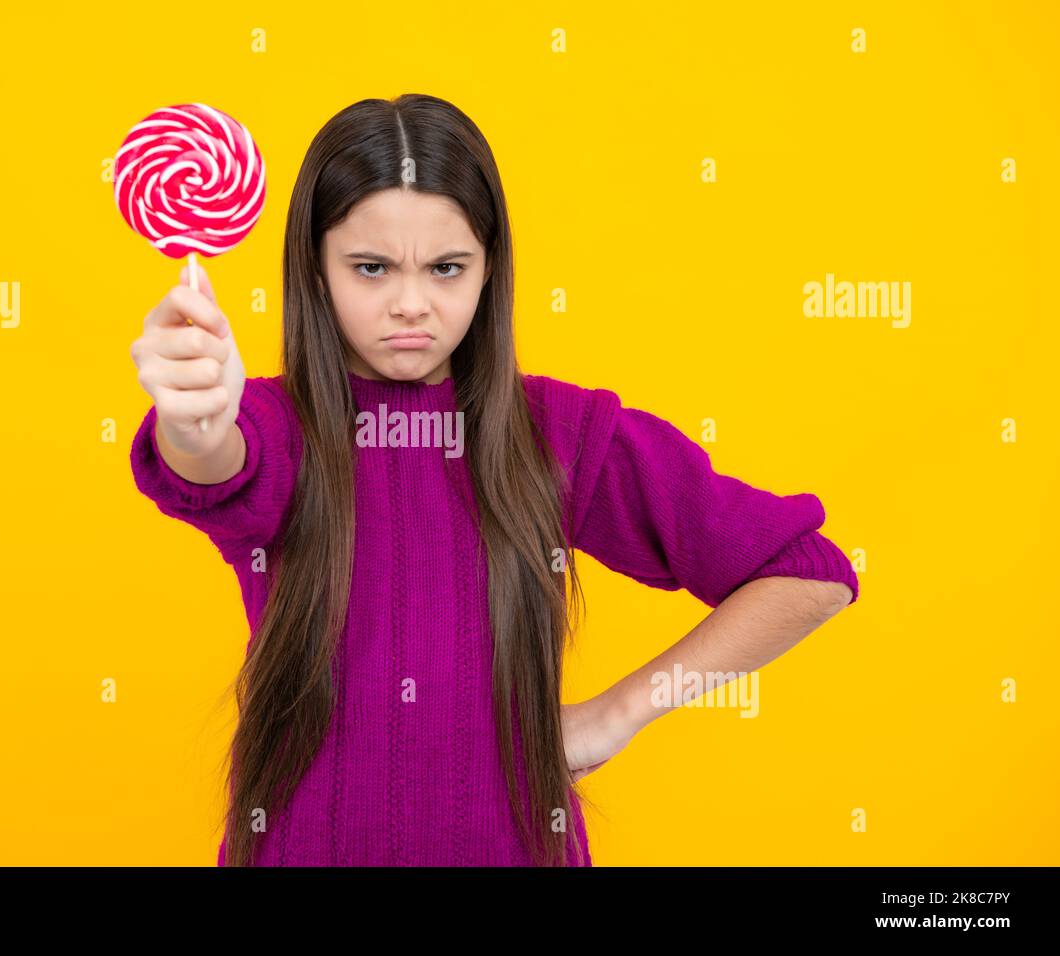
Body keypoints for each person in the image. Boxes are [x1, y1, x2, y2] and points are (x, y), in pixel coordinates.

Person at [128, 93, 859, 866]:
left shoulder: (557, 433)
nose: (411, 305)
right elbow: (218, 466)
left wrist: (619, 713)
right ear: (315, 268)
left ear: (490, 268)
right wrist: (194, 418)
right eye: (370, 268)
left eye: (447, 268)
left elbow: (807, 572)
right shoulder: (276, 425)